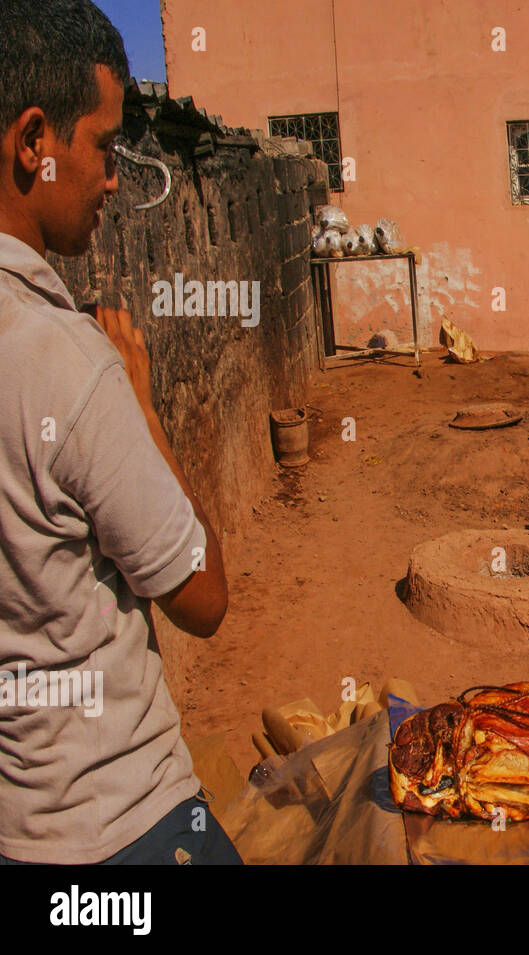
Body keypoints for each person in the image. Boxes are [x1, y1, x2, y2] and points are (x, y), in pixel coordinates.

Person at [0, 0, 240, 863]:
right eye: (101, 146)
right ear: (35, 142)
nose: (111, 179)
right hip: (123, 824)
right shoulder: (65, 360)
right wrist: (141, 403)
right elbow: (202, 597)